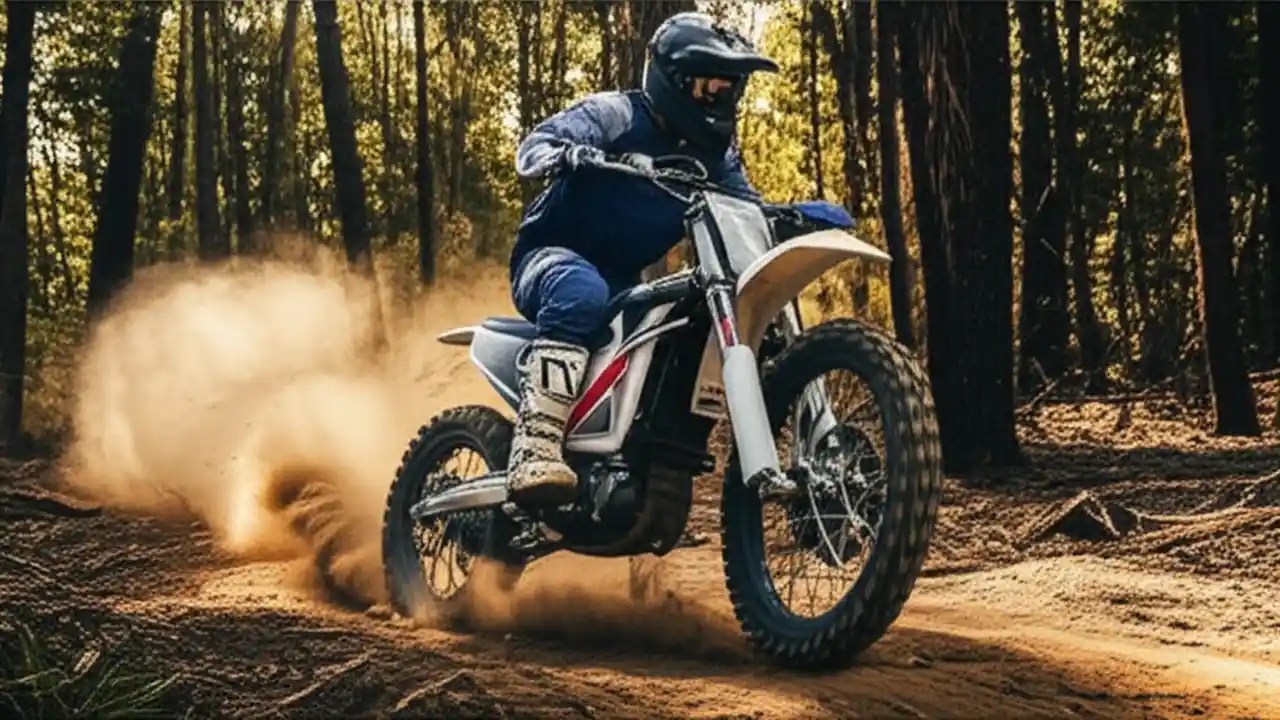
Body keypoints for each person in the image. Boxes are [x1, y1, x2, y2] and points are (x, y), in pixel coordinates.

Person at [504, 12, 779, 508]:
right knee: (580, 290)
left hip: (622, 286)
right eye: (708, 87)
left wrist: (794, 217)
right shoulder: (614, 115)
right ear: (673, 81)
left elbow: (747, 210)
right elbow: (533, 147)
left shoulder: (717, 159)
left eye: (729, 89)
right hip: (550, 261)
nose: (720, 99)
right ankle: (534, 446)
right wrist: (569, 155)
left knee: (677, 322)